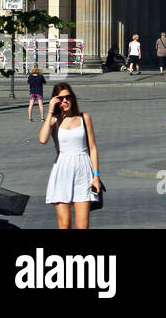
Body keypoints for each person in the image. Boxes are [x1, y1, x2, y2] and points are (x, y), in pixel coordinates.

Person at [39, 82, 102, 229]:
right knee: (65, 223)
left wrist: (96, 176)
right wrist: (49, 113)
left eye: (68, 97)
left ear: (72, 98)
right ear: (56, 101)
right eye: (60, 98)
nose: (65, 101)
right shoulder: (54, 121)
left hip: (83, 171)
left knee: (82, 225)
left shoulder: (84, 118)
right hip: (62, 171)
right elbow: (43, 139)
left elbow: (92, 148)